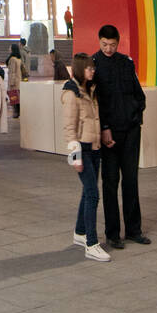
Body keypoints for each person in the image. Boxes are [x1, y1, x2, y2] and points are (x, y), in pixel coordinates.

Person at [91, 24, 149, 249]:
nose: (108, 49)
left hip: (131, 132)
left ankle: (134, 230)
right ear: (99, 42)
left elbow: (139, 95)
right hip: (109, 135)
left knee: (131, 181)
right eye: (104, 44)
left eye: (112, 45)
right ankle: (113, 233)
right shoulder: (93, 66)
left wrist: (136, 117)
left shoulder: (126, 63)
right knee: (110, 182)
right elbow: (95, 103)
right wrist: (104, 128)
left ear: (118, 42)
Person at [62, 53, 110, 261]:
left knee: (88, 191)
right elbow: (69, 127)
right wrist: (75, 157)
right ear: (81, 69)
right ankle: (91, 243)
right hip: (82, 148)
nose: (93, 71)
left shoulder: (89, 90)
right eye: (89, 68)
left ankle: (80, 232)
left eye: (93, 68)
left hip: (95, 146)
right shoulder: (72, 94)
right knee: (92, 194)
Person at [5, 42, 26, 118]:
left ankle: (16, 113)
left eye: (10, 48)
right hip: (18, 80)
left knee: (14, 97)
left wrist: (11, 83)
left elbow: (12, 72)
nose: (9, 49)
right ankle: (17, 112)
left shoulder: (12, 59)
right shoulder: (18, 59)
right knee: (17, 97)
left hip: (14, 81)